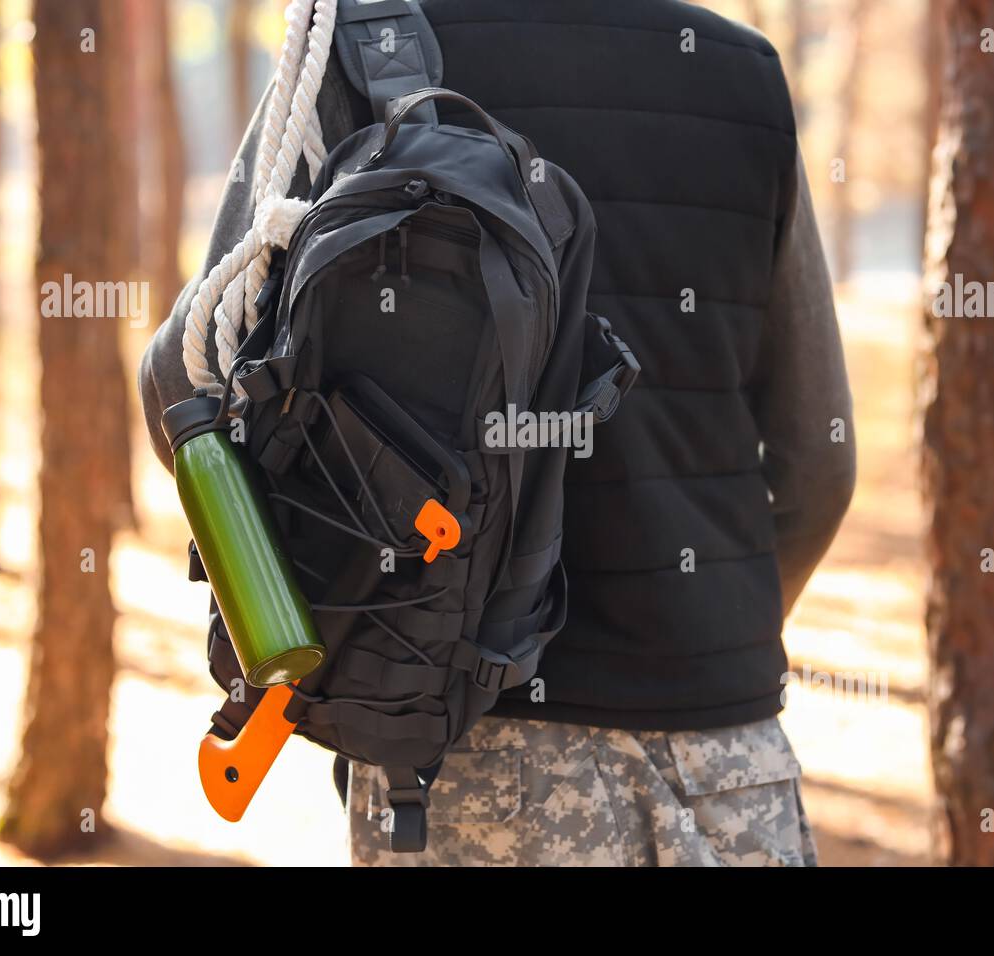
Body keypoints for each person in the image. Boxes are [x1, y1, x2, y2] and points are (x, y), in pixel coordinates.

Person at [139, 0, 854, 867]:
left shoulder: (365, 46)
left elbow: (193, 388)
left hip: (464, 768)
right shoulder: (745, 71)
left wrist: (309, 638)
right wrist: (706, 631)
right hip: (730, 761)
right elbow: (820, 465)